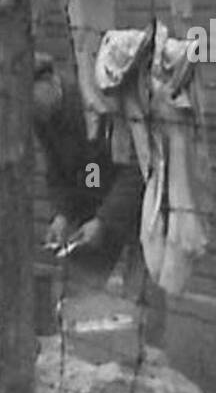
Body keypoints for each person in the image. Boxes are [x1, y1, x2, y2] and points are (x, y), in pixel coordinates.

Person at [31, 52, 143, 275]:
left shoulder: (92, 104)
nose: (30, 108)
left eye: (31, 97)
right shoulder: (42, 114)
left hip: (137, 204)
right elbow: (57, 170)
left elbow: (133, 167)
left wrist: (103, 219)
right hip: (95, 208)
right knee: (84, 289)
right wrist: (62, 213)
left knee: (140, 295)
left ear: (51, 82)